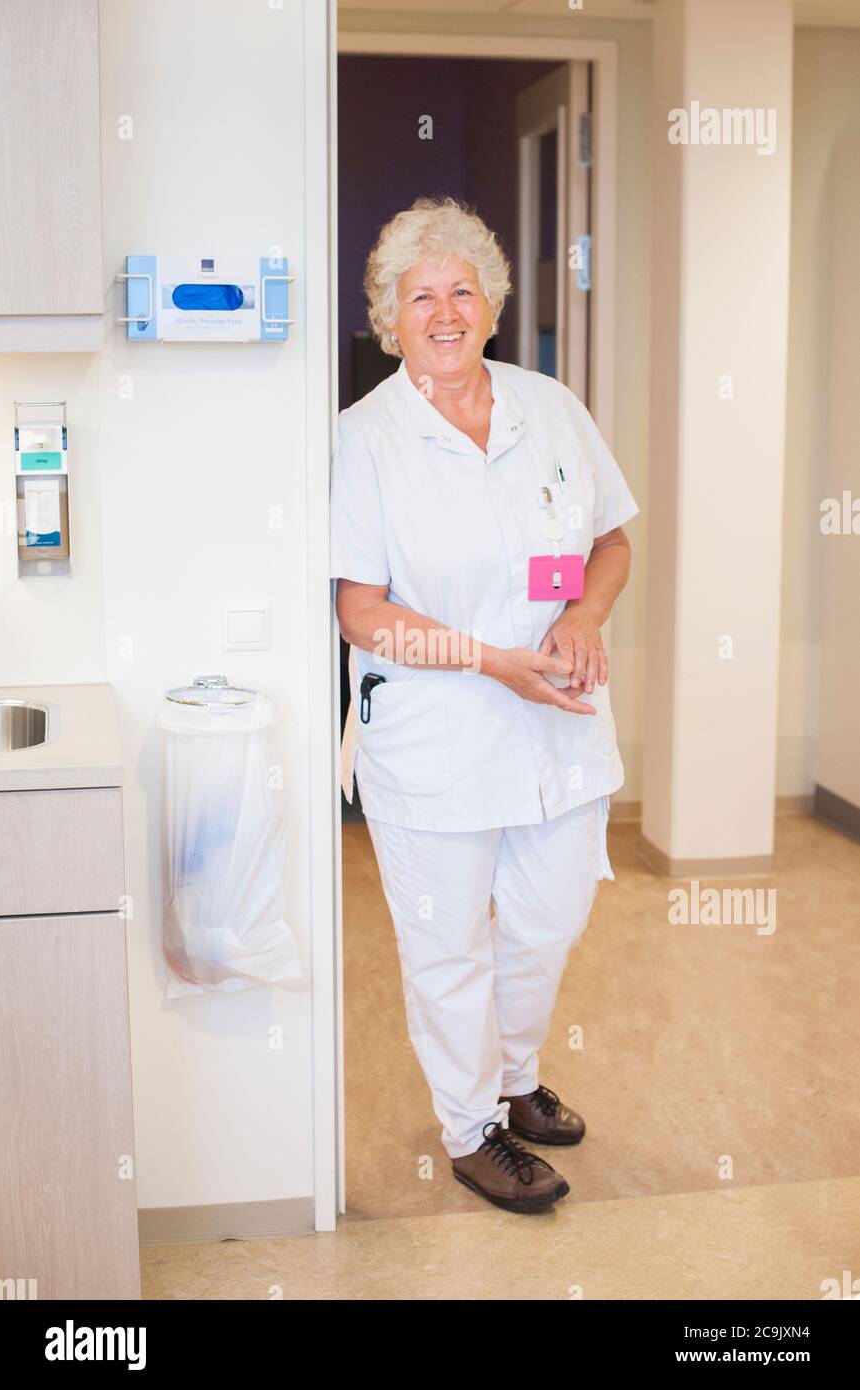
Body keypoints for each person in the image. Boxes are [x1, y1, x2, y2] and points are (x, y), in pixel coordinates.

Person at [330, 196, 639, 1214]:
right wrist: (492, 661)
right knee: (449, 944)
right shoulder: (364, 439)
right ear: (391, 318)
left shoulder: (549, 405)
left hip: (556, 720)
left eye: (463, 289)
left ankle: (514, 1075)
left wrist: (585, 619)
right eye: (422, 296)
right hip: (436, 738)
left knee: (545, 925)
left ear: (492, 304)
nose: (446, 310)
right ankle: (471, 1129)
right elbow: (362, 613)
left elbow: (611, 541)